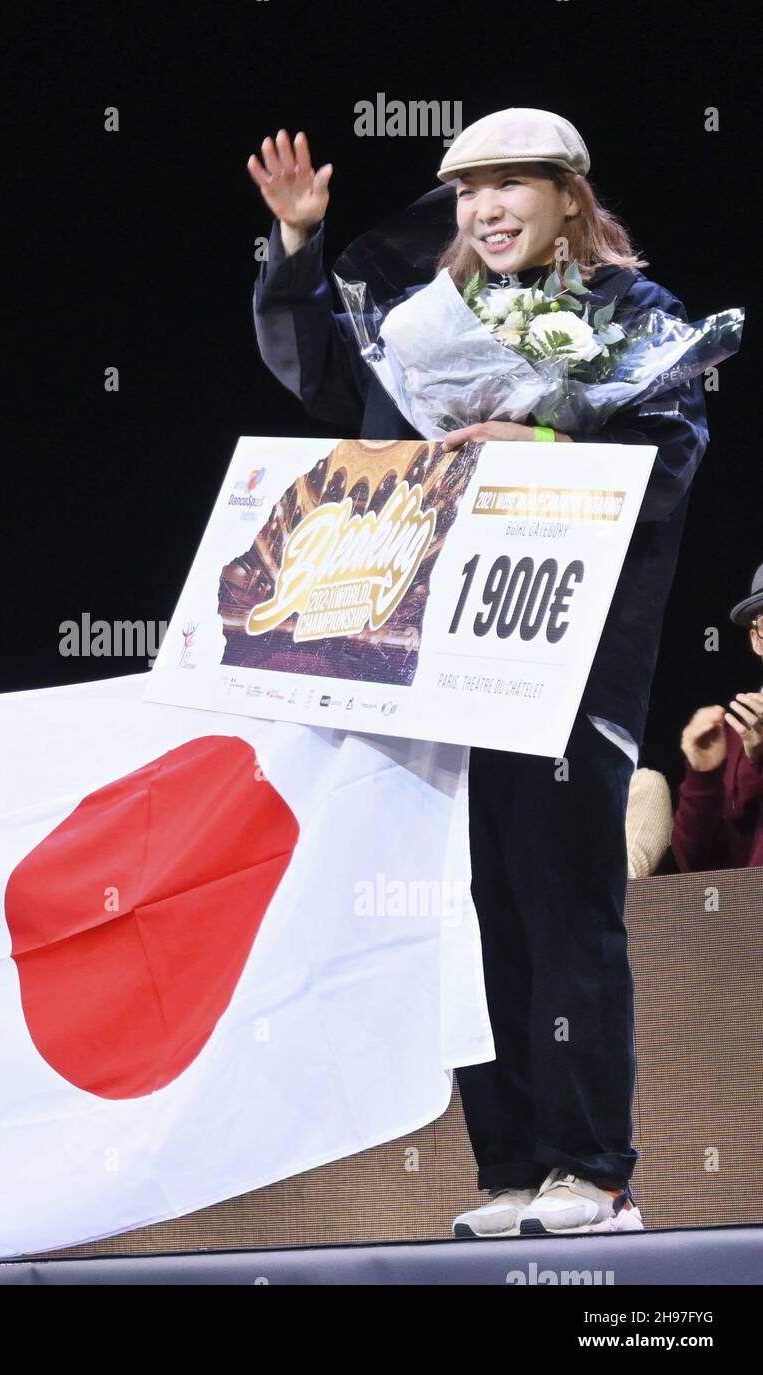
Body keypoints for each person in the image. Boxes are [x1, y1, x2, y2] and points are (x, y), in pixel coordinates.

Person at [247, 109, 710, 1236]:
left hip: (560, 668)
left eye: (511, 185)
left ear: (567, 197)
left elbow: (669, 453)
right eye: (467, 192)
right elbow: (329, 394)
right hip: (439, 664)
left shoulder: (632, 317)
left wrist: (544, 447)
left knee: (564, 912)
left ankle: (593, 1173)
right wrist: (299, 251)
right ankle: (508, 1169)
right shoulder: (426, 322)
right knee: (468, 922)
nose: (486, 209)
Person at [672, 564, 763, 872]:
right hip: (745, 909)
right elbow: (695, 863)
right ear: (756, 639)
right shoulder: (733, 733)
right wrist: (703, 777)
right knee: (647, 782)